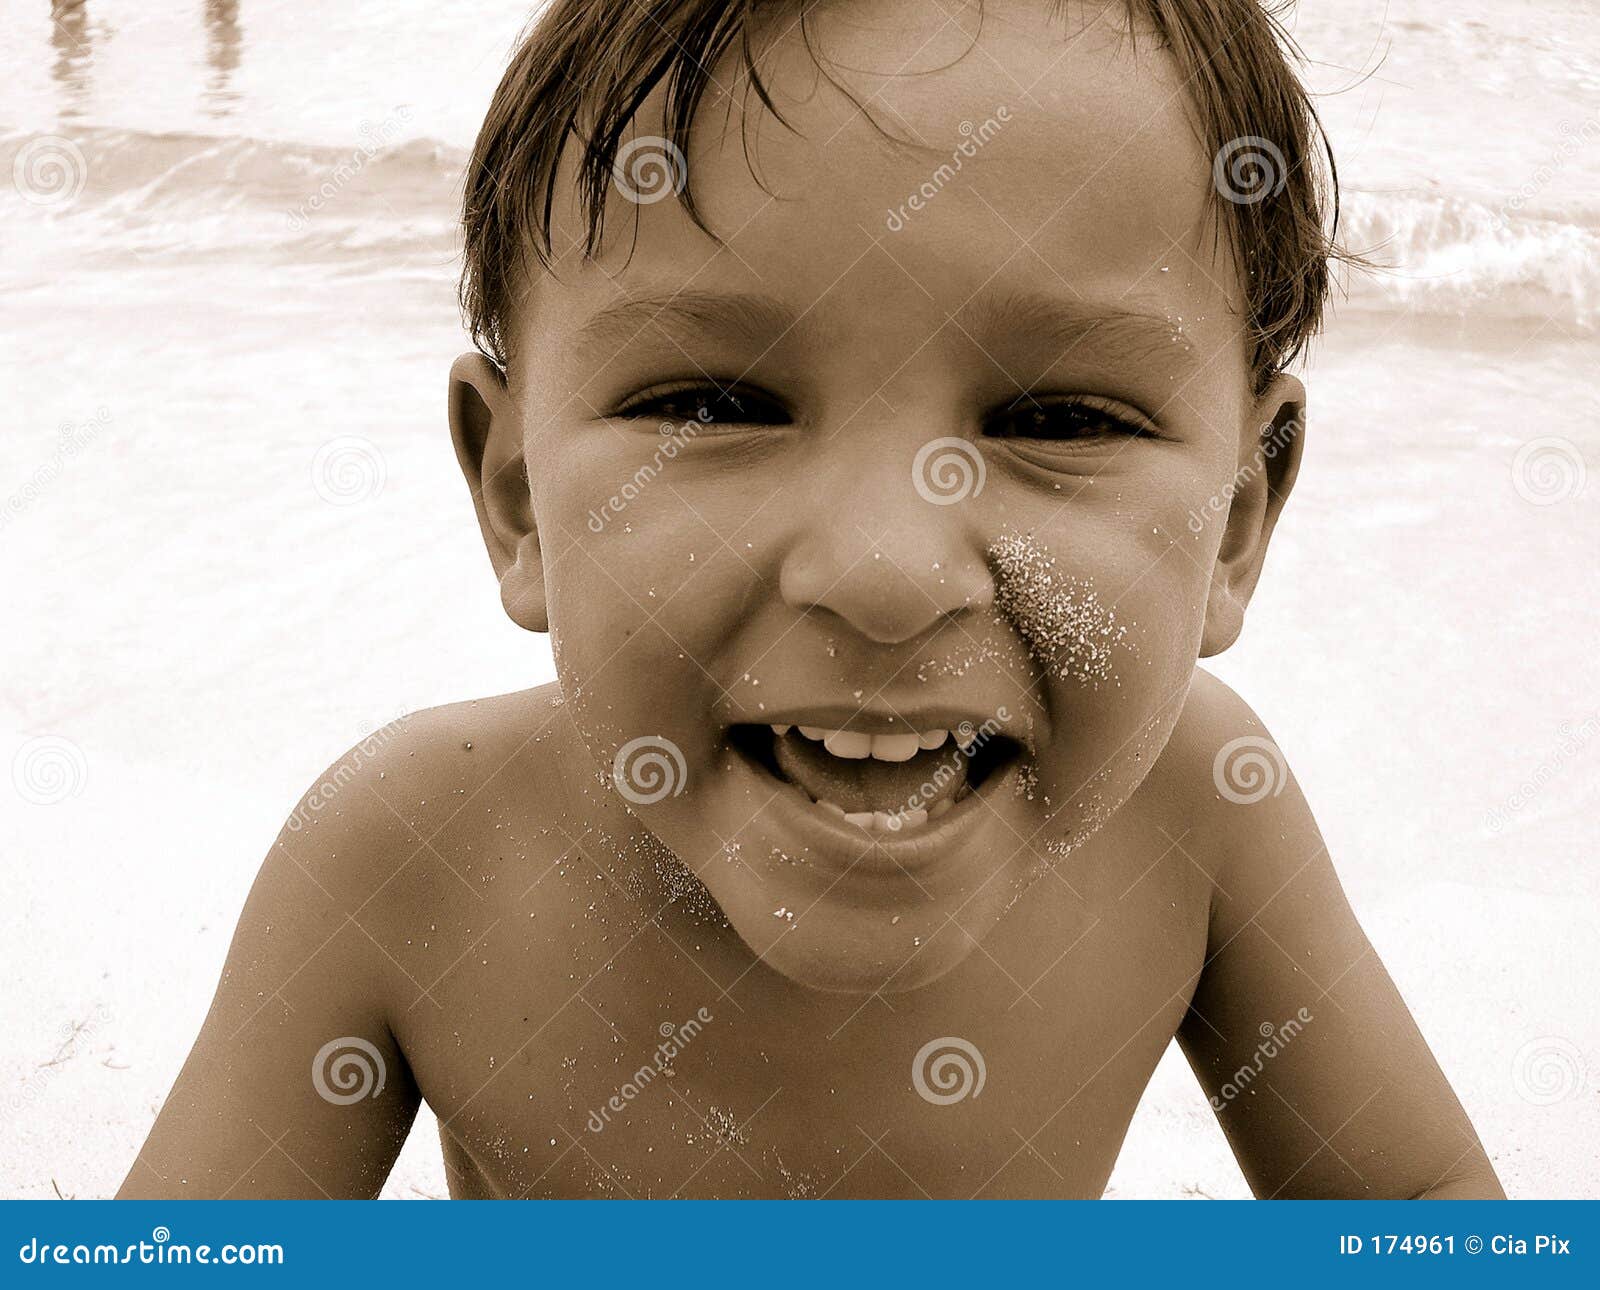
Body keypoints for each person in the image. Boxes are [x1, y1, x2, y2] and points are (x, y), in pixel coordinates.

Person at [120, 0, 1502, 1199]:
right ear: (519, 494)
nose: (886, 574)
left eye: (1060, 419)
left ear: (1237, 520)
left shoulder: (1205, 814)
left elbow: (1426, 1208)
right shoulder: (407, 858)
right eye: (714, 405)